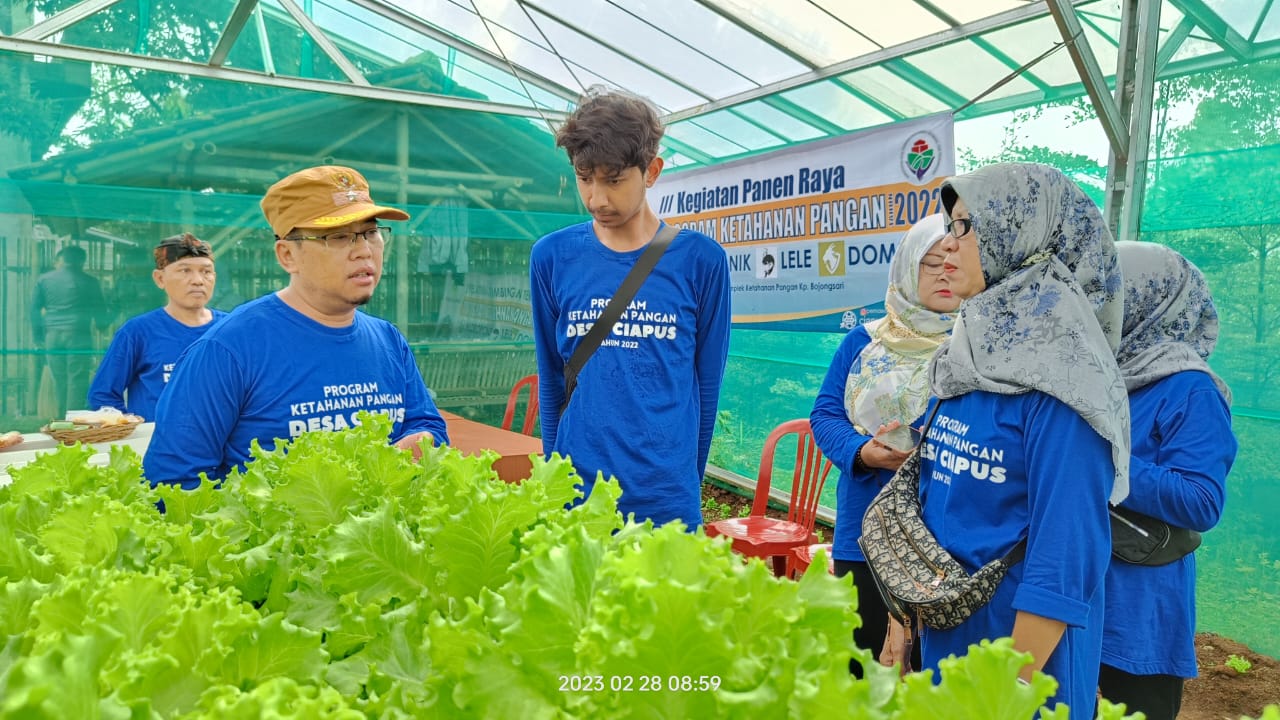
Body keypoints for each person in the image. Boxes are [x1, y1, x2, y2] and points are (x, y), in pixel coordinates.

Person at [884, 163, 1130, 712]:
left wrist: (1004, 694)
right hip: (945, 636)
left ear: (1024, 237)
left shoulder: (1065, 379)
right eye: (950, 226)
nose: (948, 246)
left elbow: (1064, 558)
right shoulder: (967, 356)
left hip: (1018, 666)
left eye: (965, 227)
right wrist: (904, 620)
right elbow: (928, 499)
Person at [143, 166, 449, 489]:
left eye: (371, 233)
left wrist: (418, 444)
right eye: (339, 237)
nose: (364, 250)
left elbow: (426, 423)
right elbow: (172, 485)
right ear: (287, 255)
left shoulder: (388, 341)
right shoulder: (227, 350)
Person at [530, 86, 732, 528]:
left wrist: (682, 485)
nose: (596, 198)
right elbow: (550, 375)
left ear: (652, 171)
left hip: (665, 498)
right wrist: (554, 477)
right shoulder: (552, 257)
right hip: (575, 494)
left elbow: (706, 384)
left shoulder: (702, 261)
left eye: (614, 179)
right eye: (585, 178)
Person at [810, 213, 956, 675]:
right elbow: (825, 414)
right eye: (931, 263)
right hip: (865, 523)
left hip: (942, 535)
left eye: (955, 263)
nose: (945, 274)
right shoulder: (863, 341)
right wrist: (860, 452)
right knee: (864, 662)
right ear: (908, 268)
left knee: (927, 673)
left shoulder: (975, 351)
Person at [1098, 242, 1237, 720]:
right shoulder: (1100, 375)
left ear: (1148, 303)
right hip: (1079, 587)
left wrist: (1103, 463)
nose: (1097, 306)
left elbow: (1201, 501)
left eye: (1109, 294)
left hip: (1139, 610)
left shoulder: (1189, 388)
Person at [86, 234, 227, 420]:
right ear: (160, 278)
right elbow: (103, 396)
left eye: (206, 271)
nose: (198, 280)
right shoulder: (137, 332)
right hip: (157, 444)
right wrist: (134, 431)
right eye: (185, 271)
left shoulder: (231, 329)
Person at [30, 244, 109, 418]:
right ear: (82, 261)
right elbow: (99, 309)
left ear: (61, 259)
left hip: (53, 334)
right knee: (77, 378)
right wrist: (102, 327)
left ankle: (59, 418)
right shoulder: (89, 281)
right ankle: (72, 420)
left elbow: (34, 310)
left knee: (59, 378)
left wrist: (38, 336)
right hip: (79, 334)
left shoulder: (44, 280)